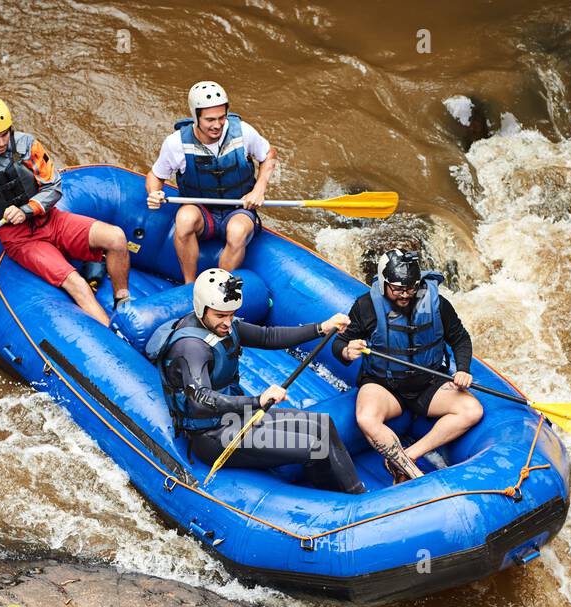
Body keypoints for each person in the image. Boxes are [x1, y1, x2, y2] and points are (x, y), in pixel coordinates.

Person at [147, 268, 364, 494]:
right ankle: (338, 503)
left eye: (231, 314)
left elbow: (268, 337)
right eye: (220, 316)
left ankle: (357, 495)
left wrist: (321, 328)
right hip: (212, 436)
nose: (228, 323)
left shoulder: (223, 325)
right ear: (201, 309)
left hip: (236, 418)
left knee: (323, 425)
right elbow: (200, 401)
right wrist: (257, 401)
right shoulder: (191, 347)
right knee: (314, 447)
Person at [0, 94, 131, 326]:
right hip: (19, 238)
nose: (1, 142)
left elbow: (54, 186)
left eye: (5, 134)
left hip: (50, 219)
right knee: (76, 283)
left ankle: (122, 301)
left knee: (116, 237)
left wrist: (27, 209)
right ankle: (113, 336)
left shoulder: (27, 146)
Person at [335, 249, 482, 483]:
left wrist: (463, 368)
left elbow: (460, 338)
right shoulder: (366, 307)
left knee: (472, 410)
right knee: (366, 418)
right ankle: (411, 474)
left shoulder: (437, 304)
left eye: (411, 288)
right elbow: (340, 343)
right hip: (384, 386)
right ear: (384, 283)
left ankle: (407, 456)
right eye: (398, 289)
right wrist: (346, 350)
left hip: (429, 385)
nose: (405, 294)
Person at [145, 81, 277, 283]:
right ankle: (190, 285)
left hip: (237, 207)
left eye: (222, 117)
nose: (217, 125)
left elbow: (269, 154)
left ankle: (219, 286)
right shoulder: (176, 143)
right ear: (195, 117)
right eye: (210, 120)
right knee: (184, 219)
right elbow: (155, 175)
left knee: (237, 231)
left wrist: (259, 189)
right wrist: (155, 192)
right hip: (201, 209)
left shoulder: (243, 132)